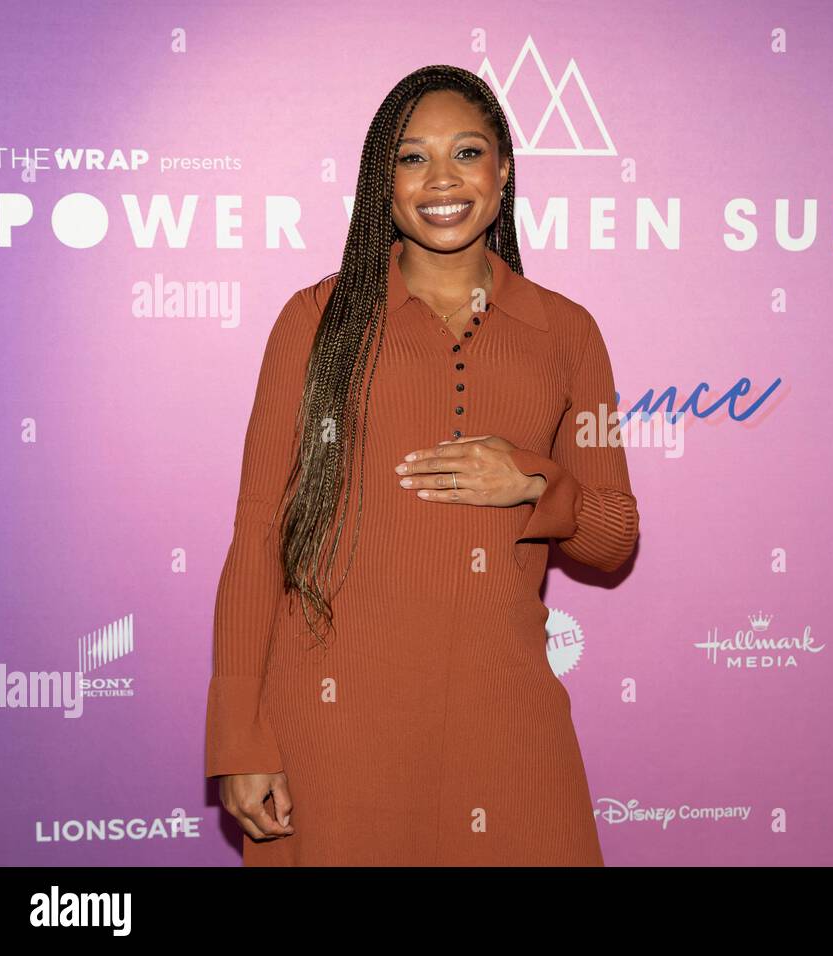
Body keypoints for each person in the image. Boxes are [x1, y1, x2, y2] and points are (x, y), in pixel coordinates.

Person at [203, 65, 639, 866]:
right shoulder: (314, 321)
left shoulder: (567, 332)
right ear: (383, 184)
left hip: (503, 714)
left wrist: (538, 484)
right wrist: (238, 735)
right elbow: (259, 529)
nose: (442, 180)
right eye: (412, 159)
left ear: (503, 170)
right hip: (332, 724)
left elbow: (614, 538)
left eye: (467, 152)